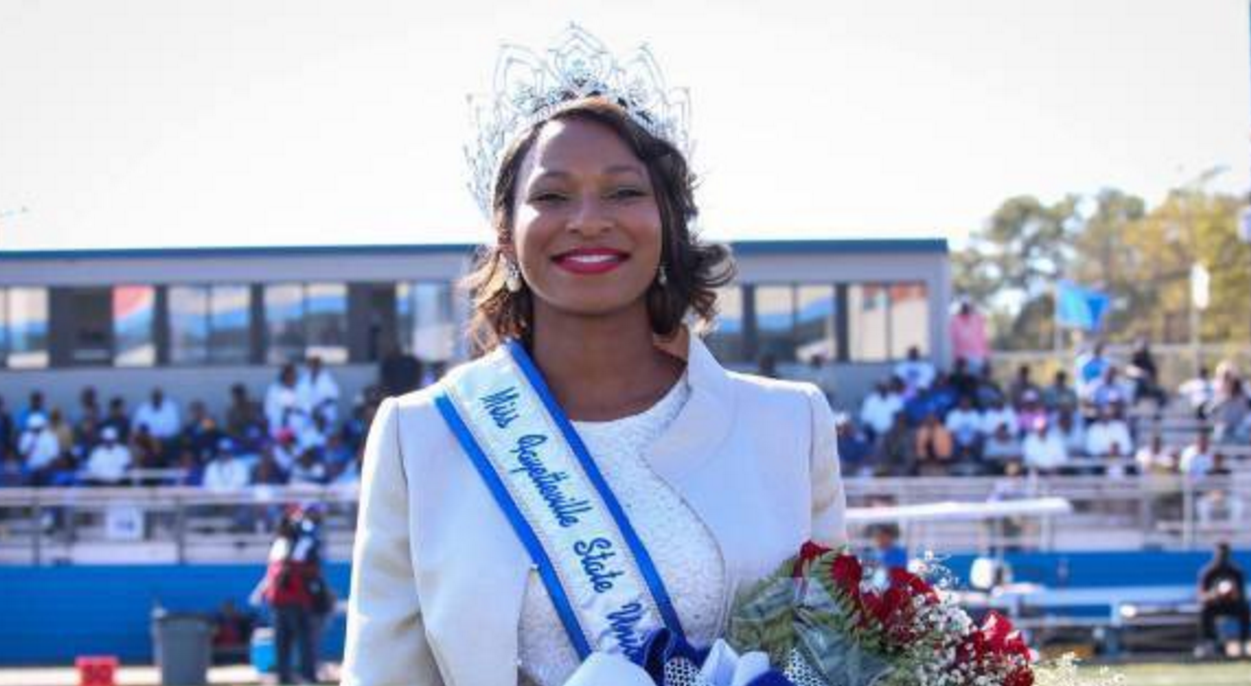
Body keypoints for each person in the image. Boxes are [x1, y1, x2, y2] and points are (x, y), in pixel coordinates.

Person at [342, 28, 846, 686]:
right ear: (505, 233)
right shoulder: (423, 436)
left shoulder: (788, 425)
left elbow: (833, 661)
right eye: (551, 196)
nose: (586, 219)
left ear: (668, 222)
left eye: (623, 192)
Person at [1196, 542, 1249, 658]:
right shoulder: (1208, 572)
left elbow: (1242, 596)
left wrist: (1233, 593)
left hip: (1232, 604)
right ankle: (1209, 643)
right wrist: (1214, 594)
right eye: (1220, 555)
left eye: (1224, 555)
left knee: (1245, 610)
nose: (1222, 558)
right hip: (1215, 604)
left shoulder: (1236, 572)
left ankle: (1243, 643)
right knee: (1204, 611)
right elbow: (1201, 596)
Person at [949, 300, 989, 372]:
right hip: (961, 357)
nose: (966, 309)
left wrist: (985, 358)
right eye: (964, 306)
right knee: (962, 376)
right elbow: (953, 339)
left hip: (977, 357)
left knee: (976, 376)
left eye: (968, 306)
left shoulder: (978, 319)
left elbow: (983, 339)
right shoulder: (955, 320)